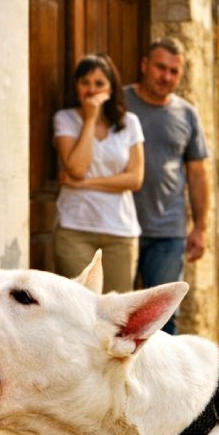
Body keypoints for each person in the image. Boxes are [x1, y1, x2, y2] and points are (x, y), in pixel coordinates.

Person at [124, 37, 208, 335]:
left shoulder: (186, 114)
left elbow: (197, 174)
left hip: (168, 233)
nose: (166, 76)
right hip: (119, 227)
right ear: (145, 65)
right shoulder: (120, 104)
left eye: (174, 71)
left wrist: (199, 227)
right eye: (161, 67)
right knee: (110, 315)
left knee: (163, 319)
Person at [52, 53, 144, 294]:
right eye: (85, 83)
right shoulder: (65, 119)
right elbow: (77, 168)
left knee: (118, 316)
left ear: (111, 88)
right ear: (76, 86)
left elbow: (134, 179)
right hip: (75, 231)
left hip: (120, 233)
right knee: (77, 309)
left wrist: (82, 185)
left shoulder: (130, 123)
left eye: (99, 83)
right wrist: (91, 117)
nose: (92, 90)